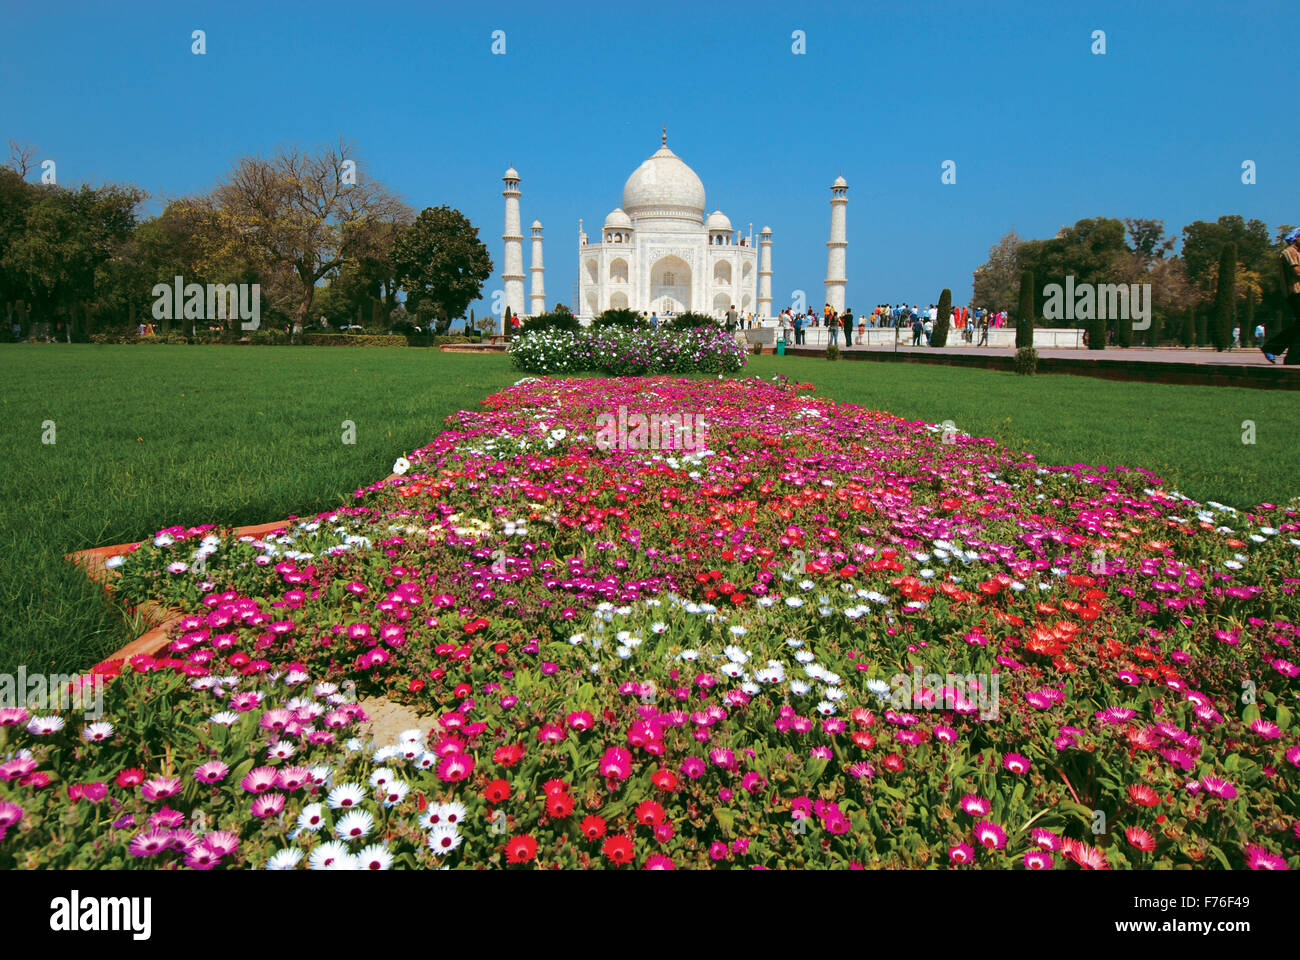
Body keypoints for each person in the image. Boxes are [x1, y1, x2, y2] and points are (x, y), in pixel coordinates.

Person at [1262, 227, 1300, 364]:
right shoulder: (1289, 252)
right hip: (1295, 293)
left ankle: (1291, 357)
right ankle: (1273, 348)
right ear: (1296, 238)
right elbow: (1297, 272)